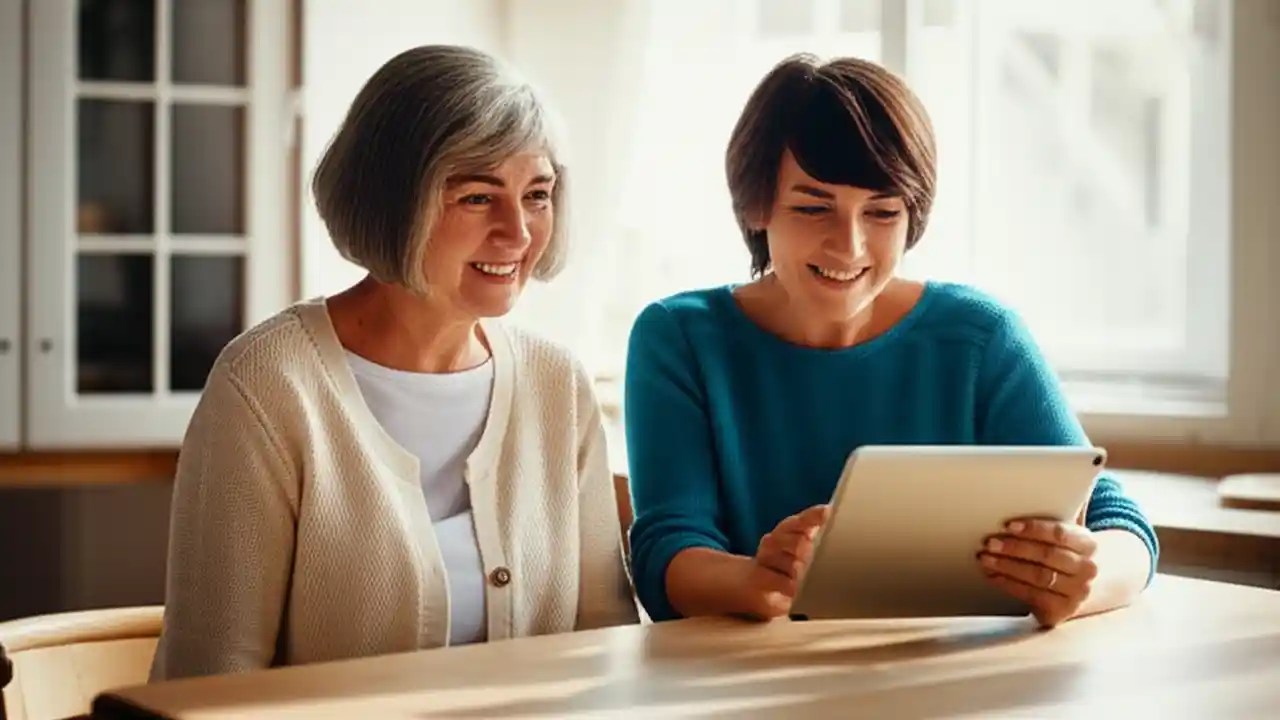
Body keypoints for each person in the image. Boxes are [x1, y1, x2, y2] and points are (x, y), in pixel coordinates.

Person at [152, 45, 638, 681]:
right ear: (392, 202)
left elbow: (605, 647)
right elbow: (212, 684)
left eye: (537, 195)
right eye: (477, 197)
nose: (518, 232)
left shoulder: (558, 386)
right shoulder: (268, 385)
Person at [624, 54, 1158, 629]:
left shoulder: (981, 337)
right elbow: (666, 551)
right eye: (813, 207)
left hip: (948, 671)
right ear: (757, 206)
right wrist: (756, 580)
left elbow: (1113, 520)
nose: (850, 245)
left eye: (882, 212)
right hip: (748, 676)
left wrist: (1085, 579)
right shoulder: (679, 339)